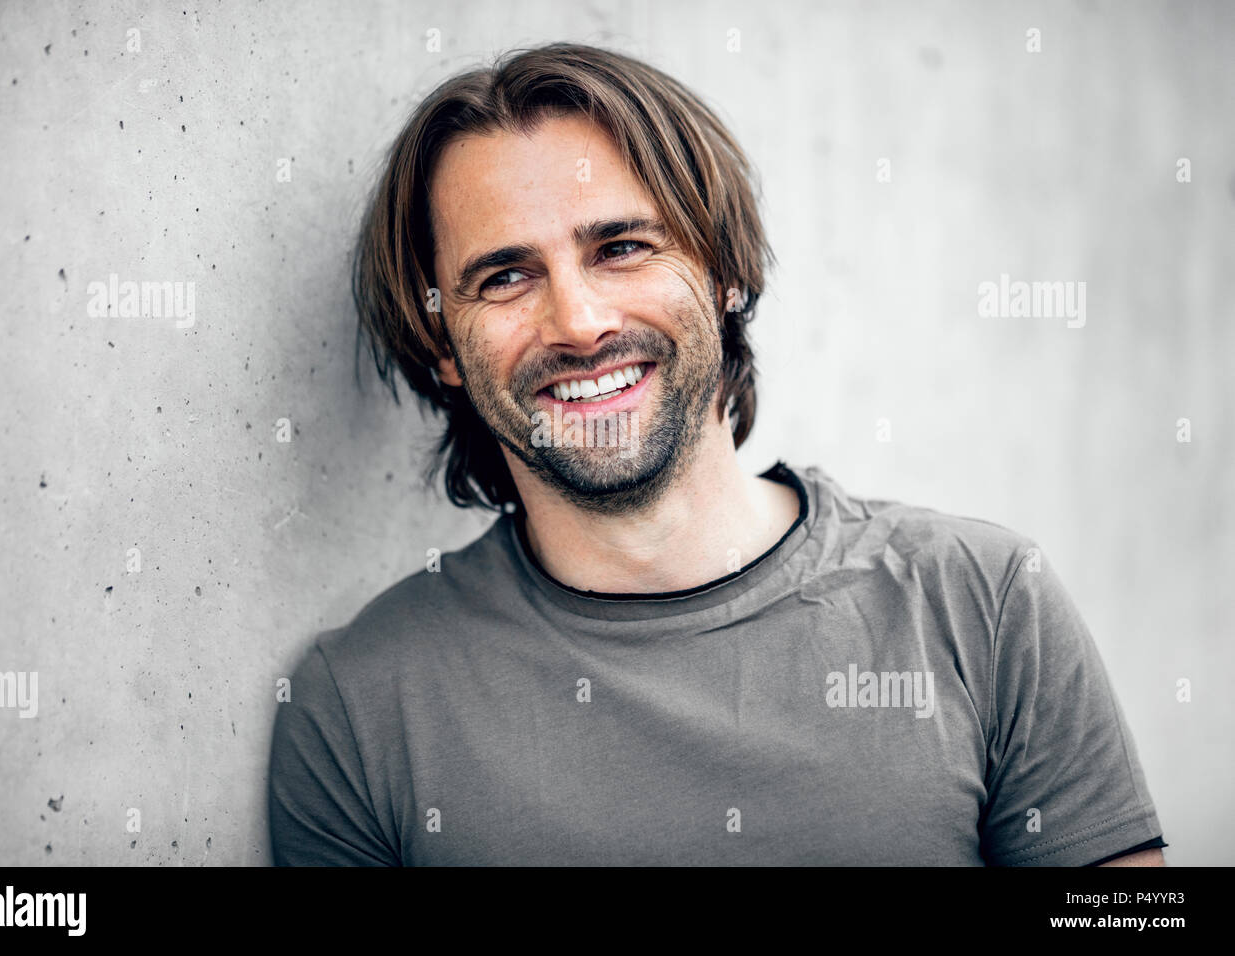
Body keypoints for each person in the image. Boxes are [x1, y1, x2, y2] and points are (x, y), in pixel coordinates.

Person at [268, 42, 1165, 866]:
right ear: (441, 350)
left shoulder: (983, 601)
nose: (579, 323)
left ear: (725, 276)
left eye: (621, 247)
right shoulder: (357, 705)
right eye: (505, 276)